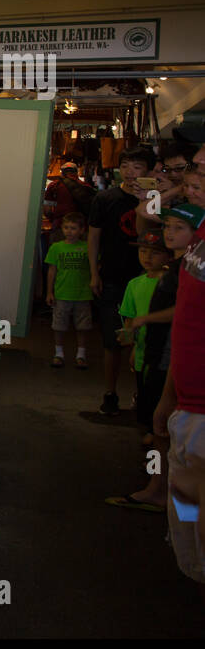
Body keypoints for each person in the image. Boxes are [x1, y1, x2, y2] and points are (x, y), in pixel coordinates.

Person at [107, 204, 204, 512]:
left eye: (180, 228)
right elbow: (141, 210)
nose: (170, 233)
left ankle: (162, 492)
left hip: (171, 359)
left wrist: (143, 320)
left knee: (162, 431)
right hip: (159, 355)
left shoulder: (186, 267)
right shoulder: (177, 266)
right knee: (157, 429)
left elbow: (185, 312)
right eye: (168, 227)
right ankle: (162, 489)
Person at [154, 200, 205, 595]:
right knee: (185, 489)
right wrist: (170, 396)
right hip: (188, 407)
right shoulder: (194, 249)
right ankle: (193, 564)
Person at [88, 146, 156, 416]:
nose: (130, 172)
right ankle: (110, 392)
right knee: (112, 339)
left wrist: (147, 200)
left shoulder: (155, 199)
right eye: (125, 165)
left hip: (146, 279)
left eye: (137, 167)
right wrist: (94, 272)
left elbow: (148, 234)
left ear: (149, 171)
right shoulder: (105, 198)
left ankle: (144, 396)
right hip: (113, 276)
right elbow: (93, 237)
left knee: (147, 341)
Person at [117, 229, 172, 432]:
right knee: (145, 389)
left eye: (155, 252)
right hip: (142, 349)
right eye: (143, 251)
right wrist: (131, 343)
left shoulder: (171, 283)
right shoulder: (134, 284)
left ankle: (156, 432)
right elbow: (130, 318)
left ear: (168, 255)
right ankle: (149, 428)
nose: (147, 257)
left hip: (164, 350)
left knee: (161, 392)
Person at [44, 212, 93, 368]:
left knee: (83, 326)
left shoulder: (88, 248)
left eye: (73, 228)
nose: (69, 231)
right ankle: (58, 353)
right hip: (62, 293)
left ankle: (81, 354)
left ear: (81, 230)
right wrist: (49, 292)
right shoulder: (56, 248)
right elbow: (52, 270)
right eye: (66, 228)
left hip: (83, 294)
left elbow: (94, 268)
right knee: (59, 326)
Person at [44, 163, 94, 234]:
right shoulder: (86, 186)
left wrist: (54, 219)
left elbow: (47, 210)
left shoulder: (53, 186)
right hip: (80, 228)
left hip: (60, 225)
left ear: (62, 172)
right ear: (76, 172)